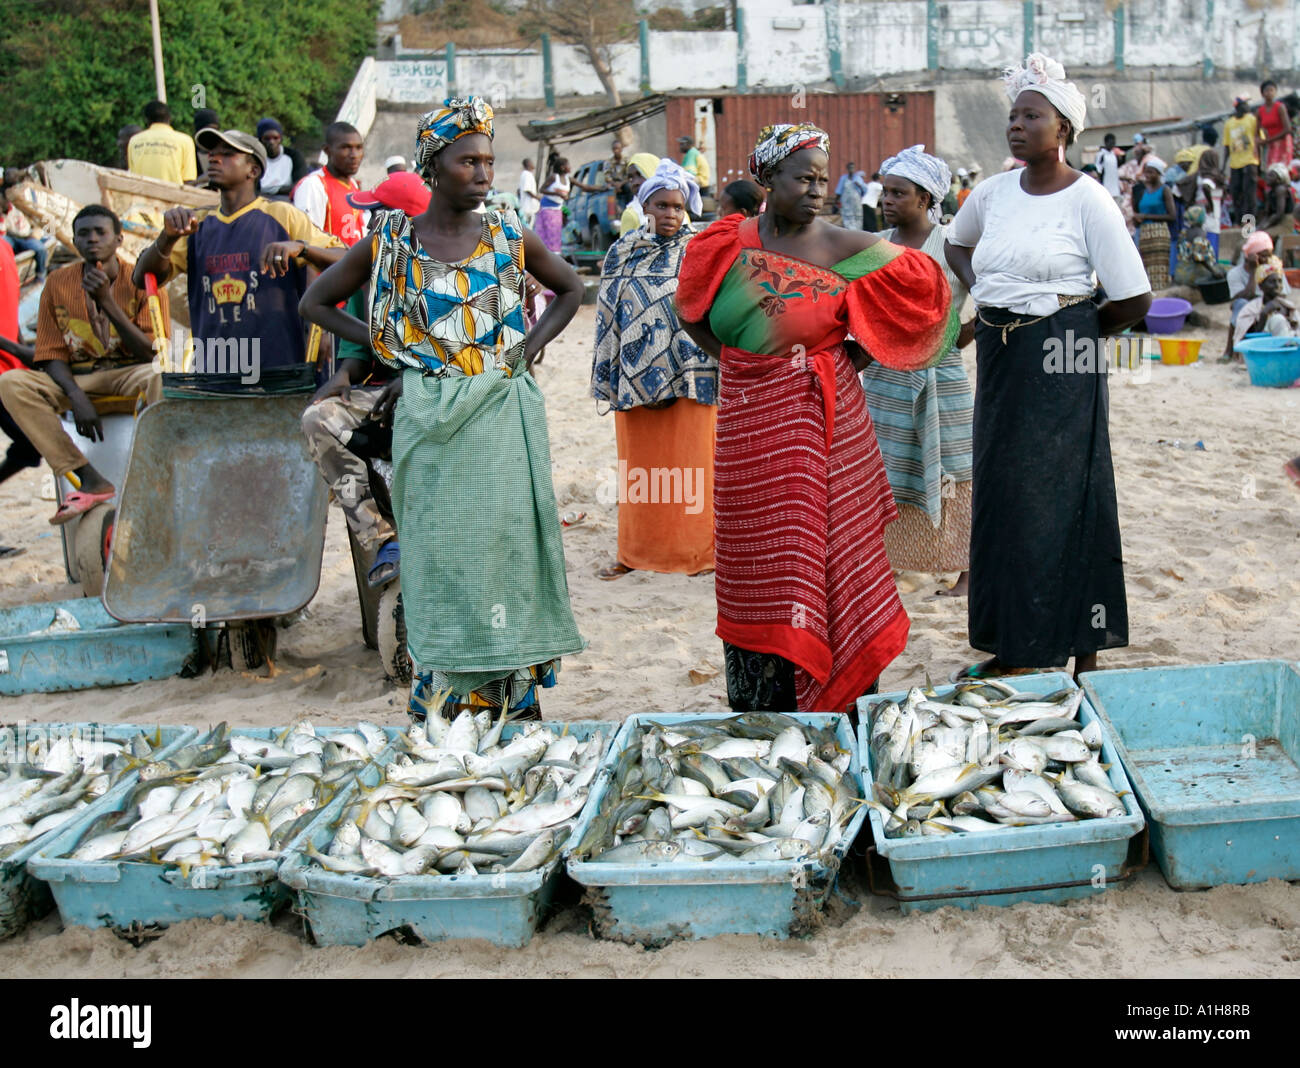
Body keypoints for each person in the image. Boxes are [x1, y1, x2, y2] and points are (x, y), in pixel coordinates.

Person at [300, 97, 585, 722]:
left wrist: (523, 353)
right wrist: (393, 353)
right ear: (434, 165)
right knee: (441, 558)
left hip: (502, 421)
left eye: (488, 160)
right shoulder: (392, 240)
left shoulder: (509, 233)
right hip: (429, 427)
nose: (483, 173)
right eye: (468, 161)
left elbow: (570, 288)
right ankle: (447, 698)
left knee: (504, 554)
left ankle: (514, 700)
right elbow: (315, 303)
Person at [675, 123, 957, 713]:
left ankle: (841, 694)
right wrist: (743, 365)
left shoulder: (845, 247)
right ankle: (764, 700)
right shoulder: (727, 241)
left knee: (830, 549)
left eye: (823, 180)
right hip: (748, 424)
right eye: (803, 178)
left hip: (826, 422)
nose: (817, 190)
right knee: (760, 553)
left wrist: (845, 358)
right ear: (767, 178)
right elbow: (691, 310)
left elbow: (930, 301)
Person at [944, 52, 1152, 681]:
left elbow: (1134, 297)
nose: (1016, 125)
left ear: (1063, 128)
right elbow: (956, 242)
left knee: (1062, 495)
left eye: (1031, 115)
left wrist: (1074, 331)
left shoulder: (1088, 199)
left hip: (1065, 361)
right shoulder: (993, 192)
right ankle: (1010, 639)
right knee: (1004, 495)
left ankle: (1074, 645)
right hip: (1003, 358)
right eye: (1013, 115)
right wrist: (988, 289)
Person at [301, 173, 432, 590]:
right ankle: (381, 538)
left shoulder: (444, 270)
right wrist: (340, 377)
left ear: (398, 219)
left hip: (441, 392)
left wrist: (413, 376)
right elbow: (357, 354)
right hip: (378, 394)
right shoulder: (370, 266)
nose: (367, 223)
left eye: (374, 214)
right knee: (316, 420)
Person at [133, 129, 344, 386]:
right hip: (216, 371)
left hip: (280, 369)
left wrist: (302, 248)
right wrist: (166, 238)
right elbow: (141, 276)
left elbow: (343, 258)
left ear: (252, 171)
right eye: (211, 154)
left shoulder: (281, 215)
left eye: (228, 154)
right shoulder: (196, 224)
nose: (213, 159)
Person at [0, 206, 167, 524]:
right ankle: (87, 476)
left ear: (118, 239)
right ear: (74, 241)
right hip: (79, 376)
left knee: (162, 373)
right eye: (83, 233)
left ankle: (156, 474)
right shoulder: (59, 282)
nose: (92, 239)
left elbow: (152, 353)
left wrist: (107, 301)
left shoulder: (141, 279)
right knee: (11, 384)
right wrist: (75, 395)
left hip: (129, 373)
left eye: (100, 232)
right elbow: (50, 354)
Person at [592, 159, 715, 581]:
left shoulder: (700, 250)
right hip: (635, 380)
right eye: (661, 205)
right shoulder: (622, 251)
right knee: (642, 472)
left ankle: (696, 554)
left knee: (693, 467)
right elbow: (607, 321)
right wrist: (609, 376)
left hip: (693, 378)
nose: (670, 214)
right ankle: (636, 553)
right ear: (645, 207)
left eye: (678, 207)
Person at [862, 145, 976, 598]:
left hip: (941, 374)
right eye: (885, 191)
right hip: (885, 375)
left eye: (898, 193)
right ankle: (889, 564)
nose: (886, 200)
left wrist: (956, 337)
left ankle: (967, 571)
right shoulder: (876, 246)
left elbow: (986, 299)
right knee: (883, 467)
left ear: (927, 199)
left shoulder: (950, 245)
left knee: (957, 469)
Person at [0, 239, 40, 508]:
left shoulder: (4, 247)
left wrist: (24, 355)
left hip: (9, 369)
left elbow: (9, 306)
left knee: (33, 442)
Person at [294, 122, 367, 246]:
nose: (354, 155)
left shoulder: (353, 185)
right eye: (346, 147)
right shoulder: (314, 185)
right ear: (327, 150)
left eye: (358, 148)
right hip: (331, 265)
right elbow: (307, 245)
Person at [127, 100, 197, 185]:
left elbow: (132, 176)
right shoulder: (185, 141)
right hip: (173, 196)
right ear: (169, 118)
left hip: (141, 195)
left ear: (147, 120)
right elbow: (188, 180)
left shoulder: (134, 141)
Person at [1133, 156, 1176, 289]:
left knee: (1160, 267)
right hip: (1145, 234)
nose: (1148, 175)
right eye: (1146, 172)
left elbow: (1172, 215)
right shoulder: (1143, 191)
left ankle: (1161, 294)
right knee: (1146, 267)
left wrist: (1145, 216)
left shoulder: (1165, 190)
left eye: (1151, 172)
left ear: (1159, 173)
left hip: (1160, 233)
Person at [1233, 256, 1298, 344]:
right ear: (1260, 286)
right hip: (1264, 348)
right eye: (1272, 282)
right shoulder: (1251, 309)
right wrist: (1264, 313)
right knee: (1277, 320)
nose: (1277, 285)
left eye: (1279, 281)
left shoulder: (1288, 307)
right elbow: (1249, 338)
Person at [1, 177, 47, 281]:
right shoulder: (4, 206)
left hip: (27, 237)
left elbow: (39, 224)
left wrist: (35, 235)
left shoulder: (28, 205)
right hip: (11, 238)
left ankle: (40, 275)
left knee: (41, 249)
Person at [1224, 96, 1260, 225]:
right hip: (1235, 164)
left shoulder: (1252, 119)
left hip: (1250, 161)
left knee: (1249, 194)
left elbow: (1258, 140)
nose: (1247, 106)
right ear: (1238, 106)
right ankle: (1239, 222)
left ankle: (1249, 224)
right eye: (1245, 104)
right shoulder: (1229, 123)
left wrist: (1259, 164)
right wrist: (1223, 167)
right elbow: (1227, 146)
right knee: (1236, 193)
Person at [1173, 206, 1227, 287]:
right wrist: (1214, 272)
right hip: (1193, 275)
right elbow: (1198, 258)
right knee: (1225, 270)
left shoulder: (1184, 232)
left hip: (1180, 273)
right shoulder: (1200, 233)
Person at [257, 118, 307, 199]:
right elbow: (253, 189)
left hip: (289, 200)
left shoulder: (294, 156)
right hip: (262, 200)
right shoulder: (256, 159)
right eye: (267, 138)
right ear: (260, 140)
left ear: (281, 139)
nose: (271, 142)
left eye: (275, 138)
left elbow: (300, 184)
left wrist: (272, 190)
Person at [616, 153, 660, 235]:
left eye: (640, 175)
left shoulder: (676, 211)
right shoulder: (632, 214)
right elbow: (624, 246)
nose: (635, 183)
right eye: (631, 178)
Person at [1117, 140, 1151, 235]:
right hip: (1132, 193)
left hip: (1145, 193)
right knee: (1126, 210)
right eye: (1137, 154)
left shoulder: (1147, 164)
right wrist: (1128, 178)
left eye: (1141, 154)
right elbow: (1119, 173)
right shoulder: (1131, 164)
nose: (1139, 156)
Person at [1258, 80, 1293, 170]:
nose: (1269, 93)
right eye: (1267, 91)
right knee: (1271, 170)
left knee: (1282, 170)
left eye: (1271, 90)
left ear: (1275, 92)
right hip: (1271, 144)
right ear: (1262, 94)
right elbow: (1259, 129)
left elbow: (1288, 129)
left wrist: (1268, 140)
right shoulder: (1260, 110)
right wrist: (1261, 139)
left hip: (1282, 142)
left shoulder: (1280, 107)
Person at [1258, 162, 1296, 234]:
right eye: (1267, 175)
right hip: (1275, 221)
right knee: (1257, 234)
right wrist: (1260, 227)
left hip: (1285, 223)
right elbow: (1268, 213)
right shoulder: (1270, 192)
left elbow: (1279, 214)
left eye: (1271, 176)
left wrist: (1265, 225)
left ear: (1279, 179)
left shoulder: (1280, 189)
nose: (1267, 178)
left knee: (1263, 235)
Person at [191, 108, 220, 186]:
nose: (211, 135)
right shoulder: (190, 152)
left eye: (215, 130)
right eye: (207, 131)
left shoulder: (223, 152)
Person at [677, 135, 712, 200]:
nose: (680, 146)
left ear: (688, 144)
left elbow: (689, 173)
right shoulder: (693, 152)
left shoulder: (691, 154)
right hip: (703, 185)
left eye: (682, 144)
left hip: (700, 186)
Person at [835, 161, 867, 229]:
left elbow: (865, 190)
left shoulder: (858, 178)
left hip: (856, 203)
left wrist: (859, 186)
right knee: (847, 218)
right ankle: (849, 234)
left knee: (858, 217)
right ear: (847, 169)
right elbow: (839, 191)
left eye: (852, 168)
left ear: (854, 168)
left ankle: (857, 235)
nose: (851, 169)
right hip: (846, 203)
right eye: (850, 168)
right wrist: (836, 201)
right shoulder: (843, 178)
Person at [1096, 133, 1121, 199]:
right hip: (1106, 187)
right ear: (1106, 142)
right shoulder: (1101, 155)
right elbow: (1098, 171)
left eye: (1114, 143)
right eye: (1111, 143)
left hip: (1115, 188)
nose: (1112, 145)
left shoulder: (1114, 155)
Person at [517, 158, 540, 228]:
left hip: (527, 207)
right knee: (528, 227)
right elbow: (527, 190)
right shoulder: (527, 174)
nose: (533, 164)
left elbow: (518, 191)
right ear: (529, 164)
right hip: (528, 208)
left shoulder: (526, 174)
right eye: (532, 162)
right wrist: (537, 197)